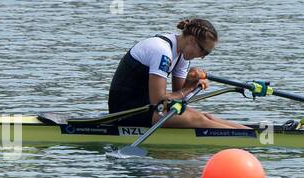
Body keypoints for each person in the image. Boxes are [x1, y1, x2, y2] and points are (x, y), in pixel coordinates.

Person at [106, 18, 250, 130]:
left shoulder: (182, 54)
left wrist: (191, 81)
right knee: (198, 121)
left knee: (206, 116)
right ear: (192, 40)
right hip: (126, 111)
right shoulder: (162, 51)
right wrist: (189, 87)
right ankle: (248, 141)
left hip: (147, 106)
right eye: (204, 51)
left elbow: (180, 99)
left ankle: (252, 135)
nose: (202, 57)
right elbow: (158, 100)